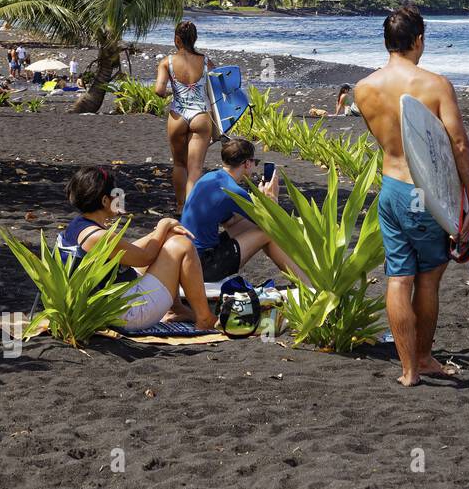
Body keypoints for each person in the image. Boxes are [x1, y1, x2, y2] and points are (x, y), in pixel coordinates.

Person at [354, 6, 469, 387]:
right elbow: (457, 144)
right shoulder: (435, 85)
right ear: (419, 39)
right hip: (425, 194)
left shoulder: (364, 88)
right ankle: (422, 359)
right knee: (427, 280)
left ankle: (407, 371)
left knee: (398, 278)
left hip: (390, 188)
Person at [58, 166, 216, 330]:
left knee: (169, 239)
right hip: (125, 314)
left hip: (106, 302)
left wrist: (162, 233)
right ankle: (205, 318)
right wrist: (163, 224)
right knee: (182, 245)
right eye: (116, 193)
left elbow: (128, 253)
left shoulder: (78, 226)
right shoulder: (98, 237)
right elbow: (145, 257)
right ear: (105, 201)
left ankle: (175, 309)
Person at [180, 138, 307, 284]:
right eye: (255, 162)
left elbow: (231, 222)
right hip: (204, 266)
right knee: (267, 233)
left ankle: (301, 278)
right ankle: (307, 285)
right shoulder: (234, 191)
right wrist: (272, 199)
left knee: (255, 226)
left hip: (188, 258)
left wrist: (259, 203)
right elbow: (273, 223)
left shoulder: (211, 177)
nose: (254, 167)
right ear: (247, 163)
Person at [154, 21, 215, 212]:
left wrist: (173, 93)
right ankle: (191, 209)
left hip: (178, 115)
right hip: (201, 115)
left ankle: (180, 206)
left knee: (179, 164)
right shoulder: (206, 62)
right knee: (195, 168)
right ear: (194, 39)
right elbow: (214, 89)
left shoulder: (167, 62)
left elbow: (159, 91)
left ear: (176, 39)